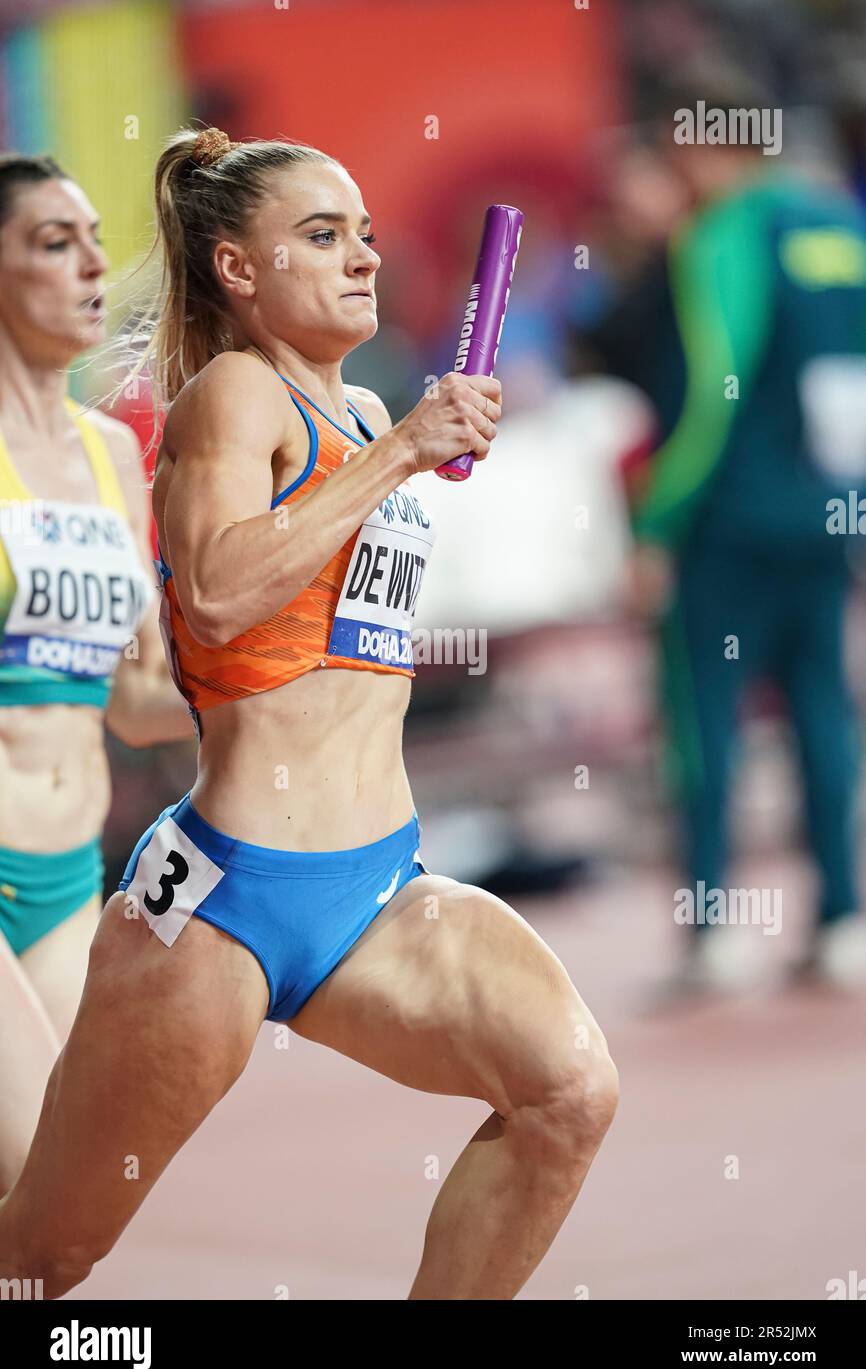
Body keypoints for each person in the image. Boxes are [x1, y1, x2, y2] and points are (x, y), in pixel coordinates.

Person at [0, 127, 619, 1301]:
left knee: (566, 1090)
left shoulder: (370, 408)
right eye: (321, 237)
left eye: (368, 237)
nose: (363, 260)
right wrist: (399, 453)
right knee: (41, 1257)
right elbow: (223, 596)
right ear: (239, 270)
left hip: (378, 885)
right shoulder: (234, 397)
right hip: (223, 900)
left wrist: (399, 442)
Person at [620, 69, 866, 995]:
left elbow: (710, 400)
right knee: (825, 717)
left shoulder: (722, 235)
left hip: (729, 526)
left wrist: (657, 520)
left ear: (696, 145)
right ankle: (843, 920)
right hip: (828, 513)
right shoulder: (842, 223)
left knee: (707, 724)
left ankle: (712, 932)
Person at [0, 153, 194, 1197]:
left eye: (92, 240)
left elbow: (138, 697)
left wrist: (276, 685)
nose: (90, 264)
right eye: (50, 241)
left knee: (65, 1210)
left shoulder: (112, 452)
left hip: (69, 875)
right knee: (32, 1163)